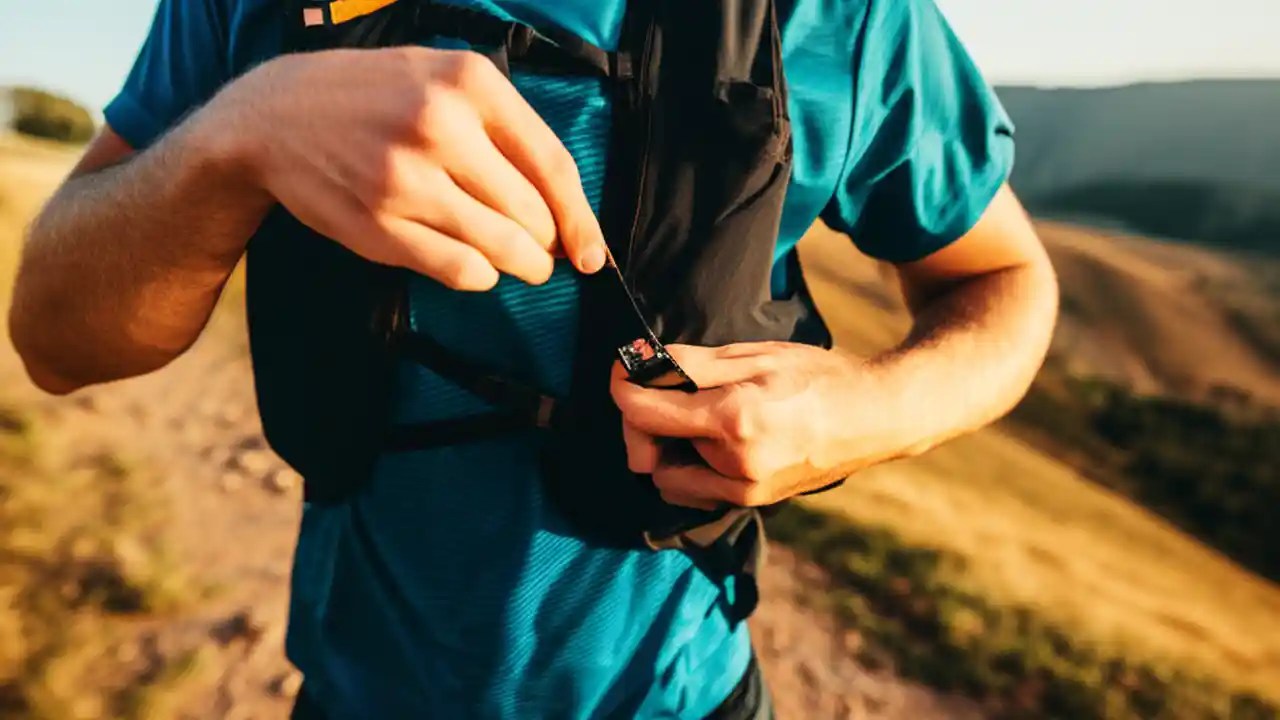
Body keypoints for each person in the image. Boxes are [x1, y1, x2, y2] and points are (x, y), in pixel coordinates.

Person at [8, 0, 1058, 717]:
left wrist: (852, 416)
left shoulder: (845, 17)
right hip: (349, 691)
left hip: (679, 697)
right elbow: (55, 337)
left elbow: (1004, 281)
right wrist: (235, 138)